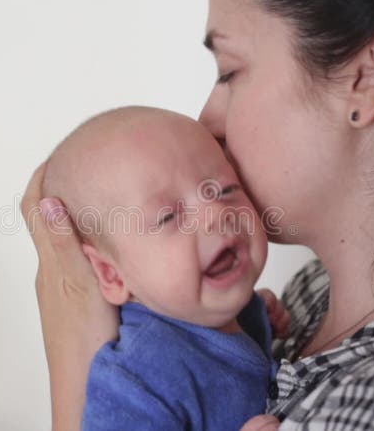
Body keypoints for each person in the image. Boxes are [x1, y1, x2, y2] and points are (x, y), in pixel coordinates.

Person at [23, 0, 374, 429]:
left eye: (230, 72)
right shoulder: (312, 293)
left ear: (367, 76)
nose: (206, 121)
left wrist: (75, 369)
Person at [41, 106, 281, 430]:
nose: (215, 213)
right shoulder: (138, 379)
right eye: (168, 216)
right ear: (111, 274)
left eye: (225, 189)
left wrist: (260, 322)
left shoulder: (220, 313)